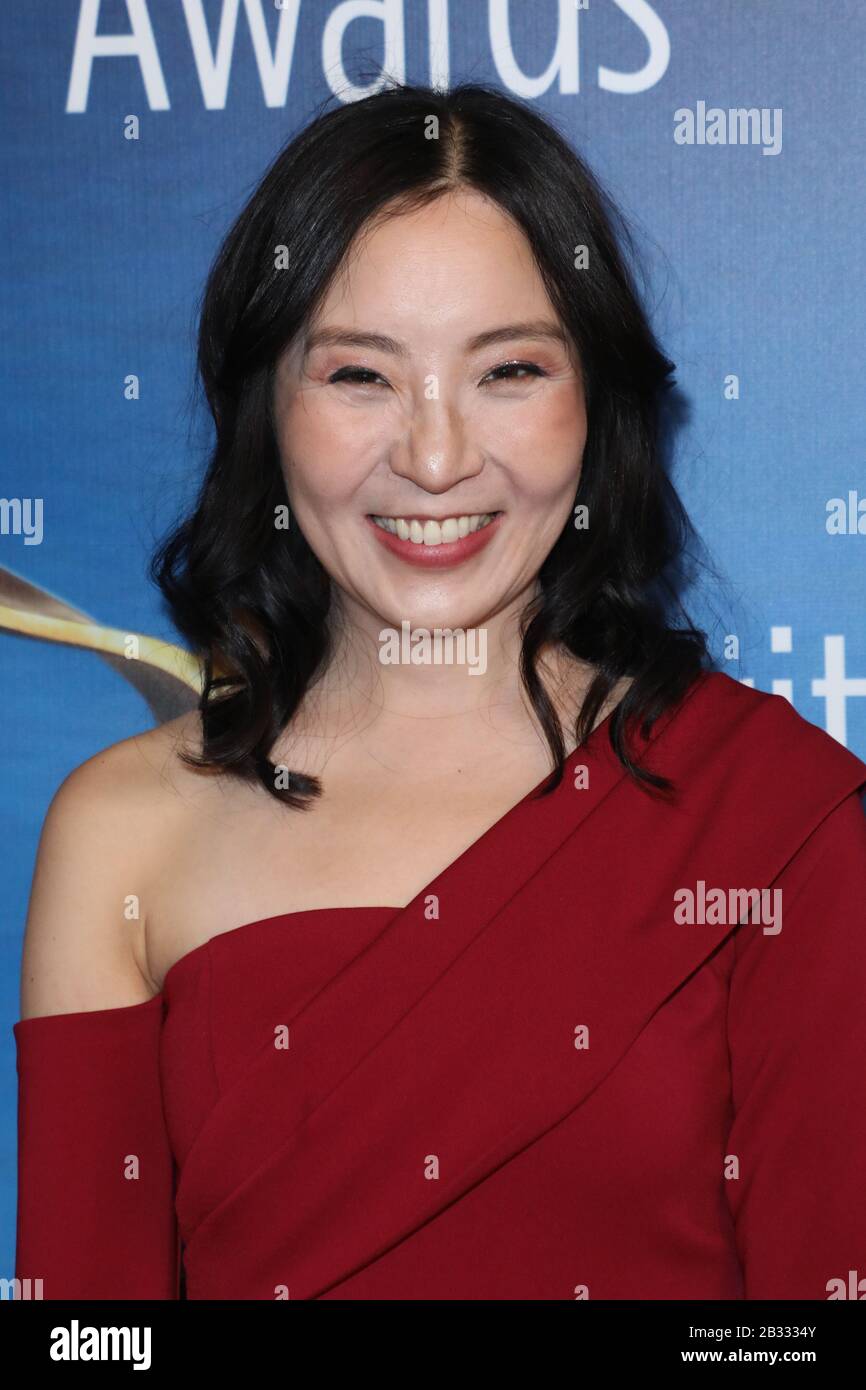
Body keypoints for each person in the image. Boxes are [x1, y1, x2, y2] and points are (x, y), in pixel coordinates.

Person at [13, 82, 866, 1301]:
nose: (431, 456)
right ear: (270, 405)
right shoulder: (122, 831)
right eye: (360, 376)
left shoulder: (769, 814)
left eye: (506, 370)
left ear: (594, 405)